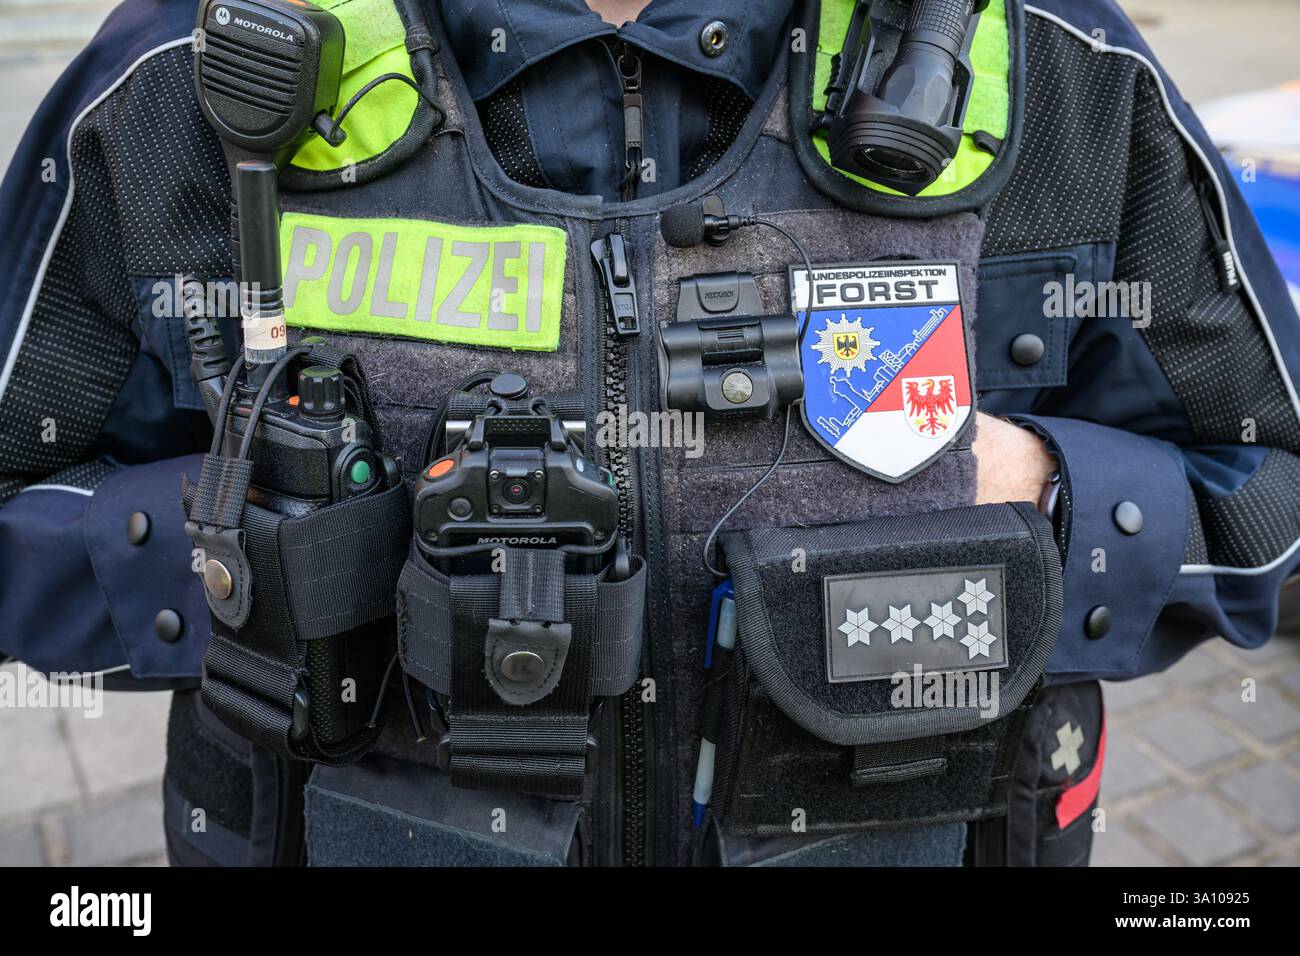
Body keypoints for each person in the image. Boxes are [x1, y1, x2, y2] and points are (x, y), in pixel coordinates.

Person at [1, 0, 1296, 867]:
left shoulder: (1058, 71)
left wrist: (1052, 498)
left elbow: (1274, 495)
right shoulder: (194, 79)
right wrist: (257, 557)